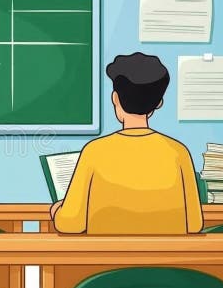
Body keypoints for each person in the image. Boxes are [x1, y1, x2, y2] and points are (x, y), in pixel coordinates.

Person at [50, 52, 203, 234]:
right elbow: (194, 225)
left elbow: (70, 224)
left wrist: (56, 211)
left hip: (108, 262)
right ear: (159, 103)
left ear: (115, 98)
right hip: (167, 262)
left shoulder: (94, 151)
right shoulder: (179, 152)